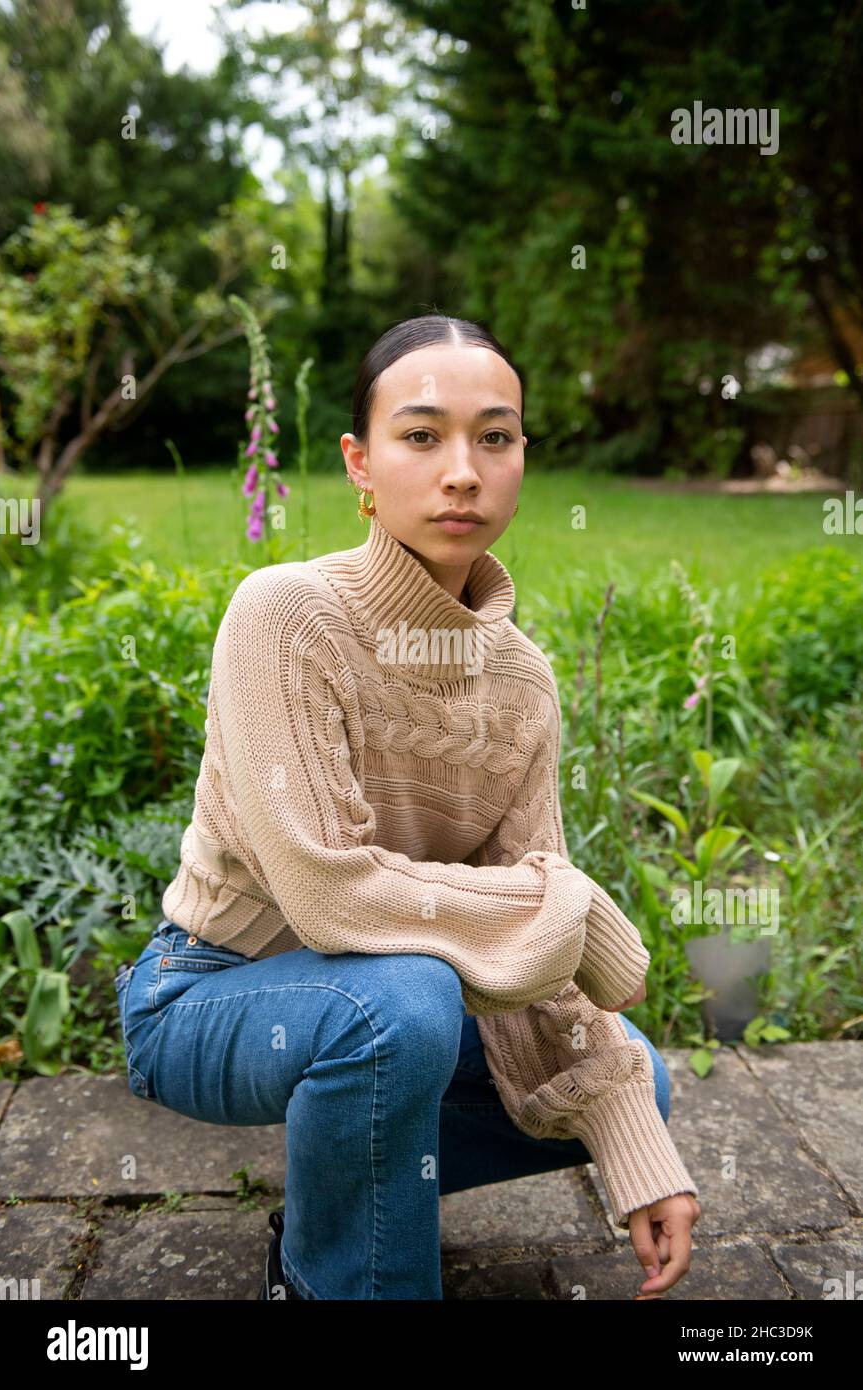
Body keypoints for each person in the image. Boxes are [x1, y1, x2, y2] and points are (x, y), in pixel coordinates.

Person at [114, 312, 700, 1301]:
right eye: (421, 436)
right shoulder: (286, 613)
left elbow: (538, 952)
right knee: (404, 1002)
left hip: (386, 994)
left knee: (630, 1079)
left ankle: (337, 1202)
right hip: (207, 989)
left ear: (521, 458)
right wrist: (571, 908)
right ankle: (333, 1280)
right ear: (359, 461)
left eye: (495, 437)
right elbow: (331, 899)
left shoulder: (521, 683)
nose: (461, 471)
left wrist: (636, 1150)